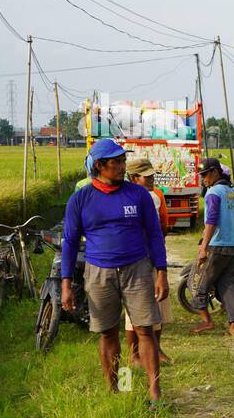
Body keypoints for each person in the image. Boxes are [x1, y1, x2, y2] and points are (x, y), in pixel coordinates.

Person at [61, 138, 169, 403]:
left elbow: (155, 234)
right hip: (99, 273)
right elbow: (70, 242)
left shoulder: (138, 195)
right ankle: (119, 387)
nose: (122, 166)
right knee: (109, 332)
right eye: (117, 162)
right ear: (100, 165)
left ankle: (155, 393)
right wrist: (66, 284)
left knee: (145, 330)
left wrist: (161, 272)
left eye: (122, 160)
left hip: (137, 270)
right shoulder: (81, 199)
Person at [124, 157, 173, 366]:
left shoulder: (156, 195)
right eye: (147, 176)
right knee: (132, 312)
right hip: (134, 259)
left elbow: (162, 227)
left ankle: (157, 350)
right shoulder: (125, 198)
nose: (152, 178)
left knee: (159, 305)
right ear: (135, 178)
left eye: (152, 174)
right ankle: (134, 355)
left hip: (152, 257)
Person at [191, 157, 234, 335]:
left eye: (205, 174)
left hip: (217, 245)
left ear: (215, 172)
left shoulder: (213, 193)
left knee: (196, 283)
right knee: (230, 287)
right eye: (201, 175)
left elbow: (211, 220)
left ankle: (207, 321)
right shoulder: (233, 193)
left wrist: (203, 247)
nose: (203, 179)